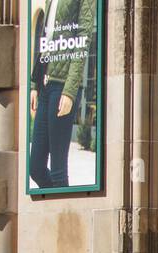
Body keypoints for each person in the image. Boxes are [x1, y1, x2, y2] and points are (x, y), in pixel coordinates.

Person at [28, 0, 97, 189]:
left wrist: (70, 90)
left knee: (58, 169)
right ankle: (59, 202)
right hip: (45, 84)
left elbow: (83, 40)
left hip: (63, 86)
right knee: (35, 168)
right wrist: (35, 84)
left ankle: (64, 214)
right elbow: (46, 38)